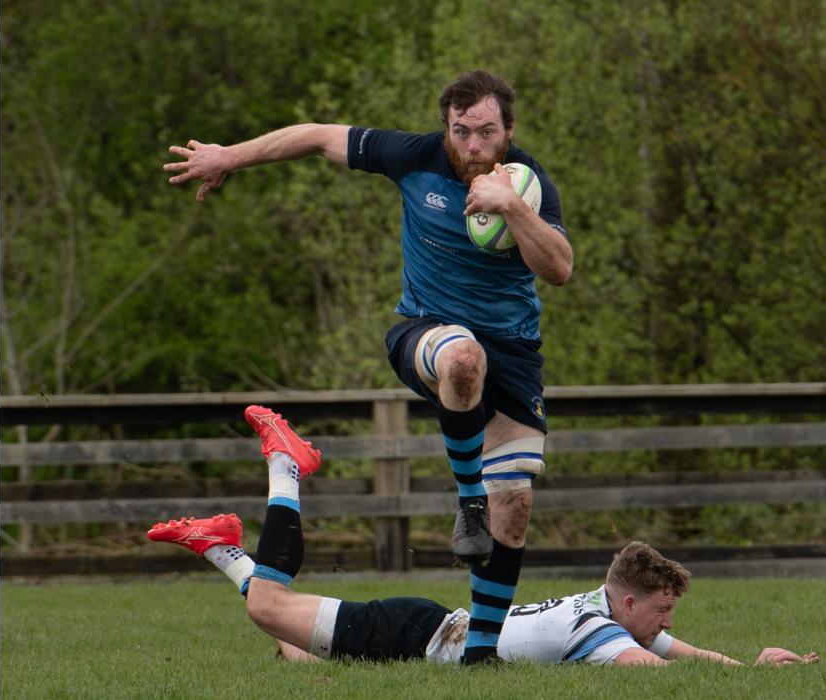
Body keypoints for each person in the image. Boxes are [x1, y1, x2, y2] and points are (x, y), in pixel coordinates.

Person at [163, 70, 572, 663]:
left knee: (515, 502)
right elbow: (315, 135)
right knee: (462, 357)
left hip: (514, 352)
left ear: (509, 129)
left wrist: (511, 207)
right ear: (446, 129)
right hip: (425, 331)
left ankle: (481, 657)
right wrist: (230, 156)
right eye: (461, 132)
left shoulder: (530, 186)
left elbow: (558, 269)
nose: (473, 146)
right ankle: (467, 500)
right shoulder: (412, 156)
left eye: (486, 132)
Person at [148, 406, 818, 667]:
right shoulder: (603, 635)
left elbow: (690, 655)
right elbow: (668, 679)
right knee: (272, 609)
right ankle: (284, 463)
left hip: (427, 635)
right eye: (665, 609)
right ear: (632, 602)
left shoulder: (609, 611)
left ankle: (220, 546)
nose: (670, 622)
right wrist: (756, 674)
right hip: (420, 634)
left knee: (297, 654)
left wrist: (746, 664)